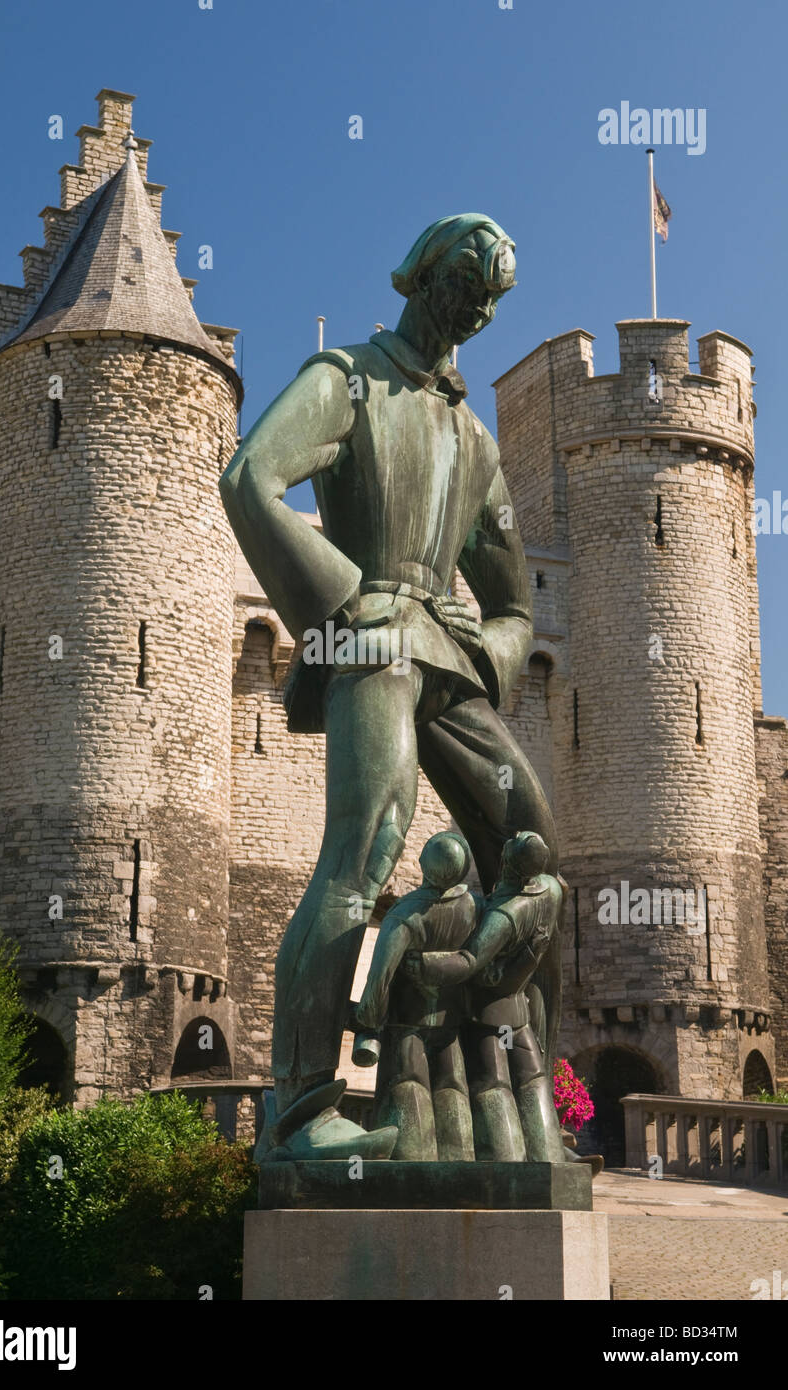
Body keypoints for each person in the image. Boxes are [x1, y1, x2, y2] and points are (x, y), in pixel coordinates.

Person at [220, 215, 560, 1159]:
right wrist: (344, 612)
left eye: (488, 301)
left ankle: (488, 1097)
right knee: (366, 847)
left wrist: (486, 641)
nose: (474, 313)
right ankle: (299, 1110)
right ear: (417, 280)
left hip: (445, 659)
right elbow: (251, 479)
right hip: (372, 642)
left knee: (530, 842)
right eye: (461, 290)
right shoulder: (347, 382)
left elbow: (513, 607)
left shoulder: (475, 440)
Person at [405, 831, 566, 1162]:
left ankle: (506, 1165)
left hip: (490, 1014)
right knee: (533, 1081)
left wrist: (423, 965)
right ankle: (549, 1161)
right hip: (521, 1009)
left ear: (507, 862)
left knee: (493, 1086)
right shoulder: (549, 890)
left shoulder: (504, 915)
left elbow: (469, 961)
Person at [352, 832, 479, 1161]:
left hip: (407, 1024)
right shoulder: (474, 907)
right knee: (452, 1089)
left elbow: (380, 975)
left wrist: (367, 1018)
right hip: (452, 1024)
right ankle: (459, 1167)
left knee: (407, 1087)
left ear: (423, 863)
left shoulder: (405, 914)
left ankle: (413, 1168)